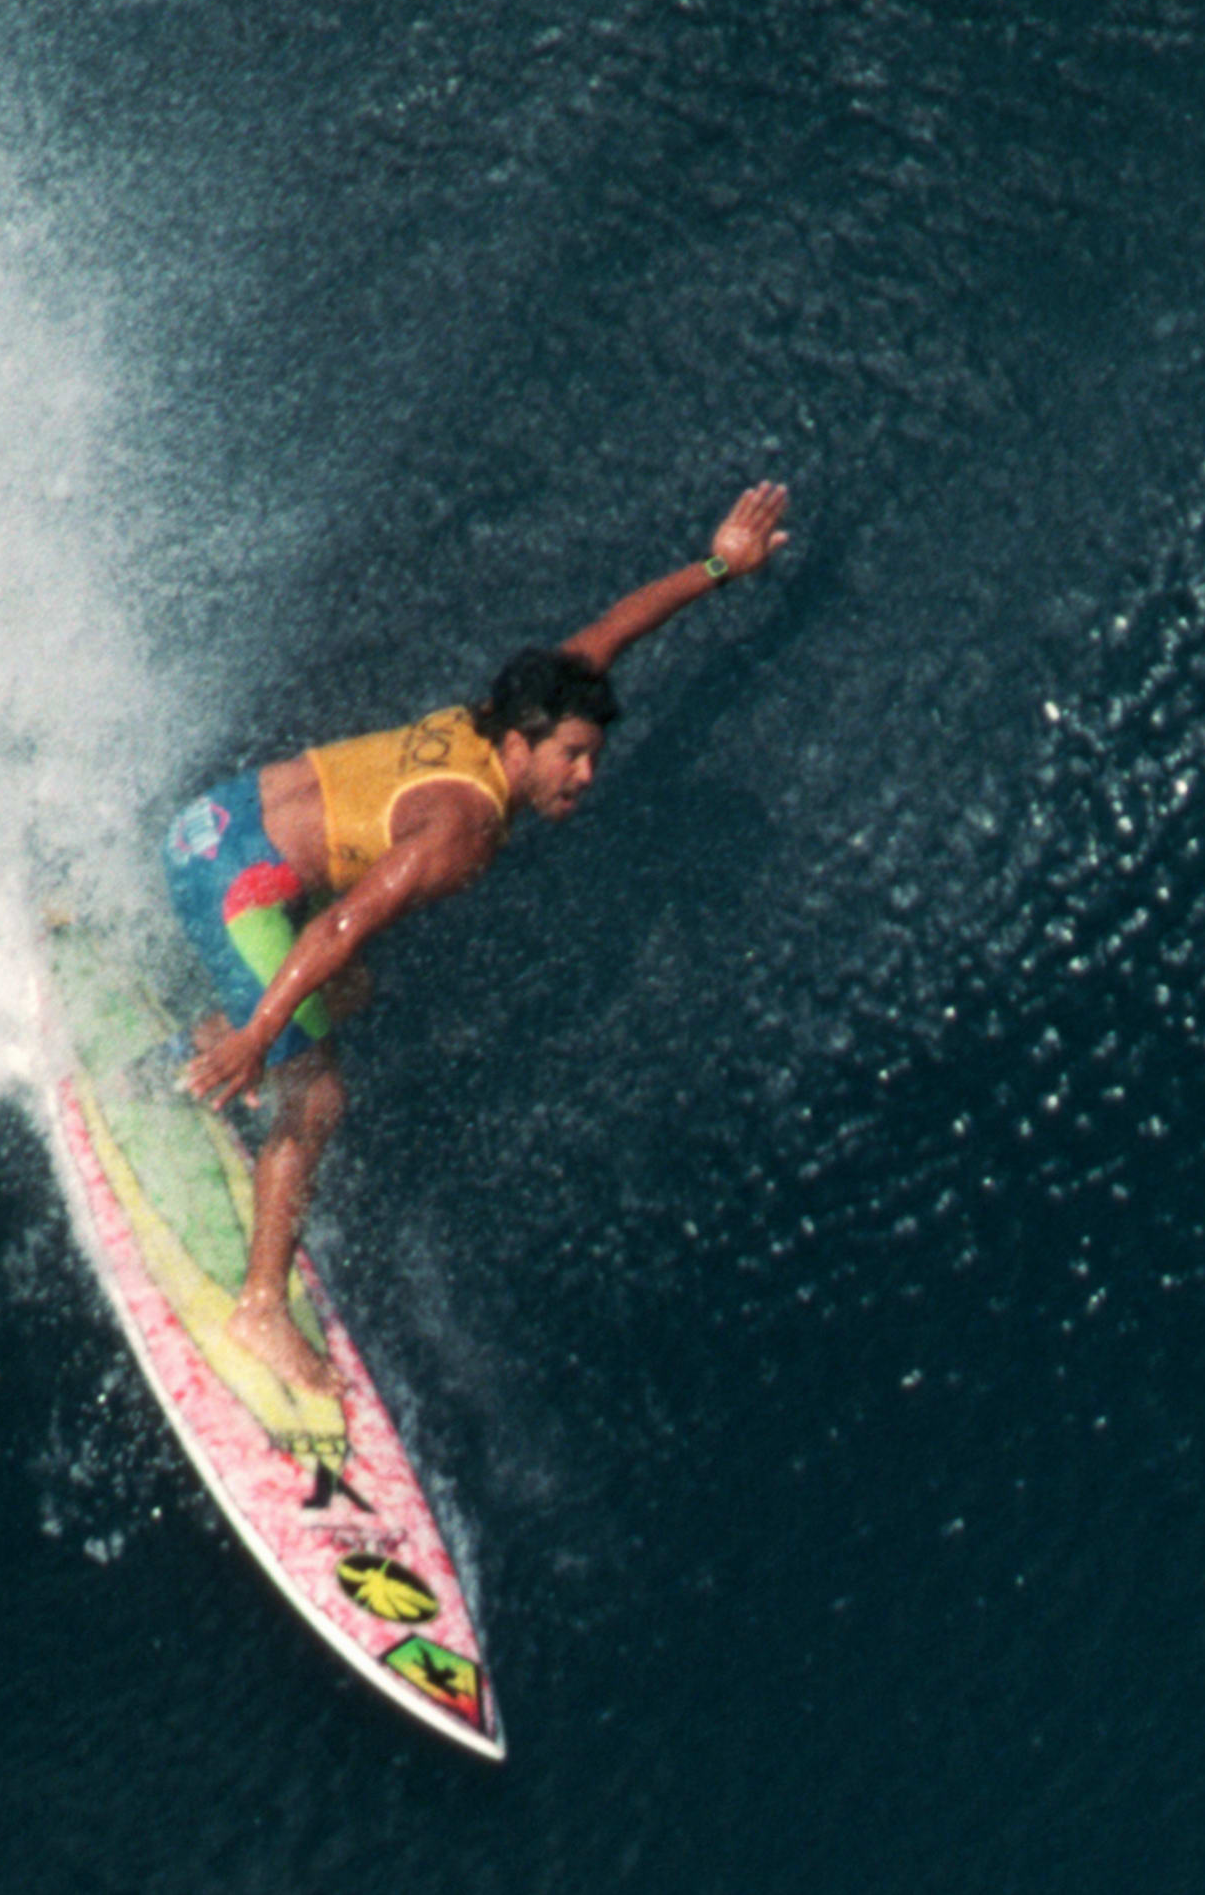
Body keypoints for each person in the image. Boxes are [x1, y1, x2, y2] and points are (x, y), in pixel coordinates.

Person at [162, 481, 791, 1404]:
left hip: (214, 818)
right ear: (526, 747)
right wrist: (264, 1034)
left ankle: (188, 1061)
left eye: (594, 754)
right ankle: (259, 1304)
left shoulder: (504, 708)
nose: (587, 773)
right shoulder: (463, 828)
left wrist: (718, 566)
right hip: (232, 883)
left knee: (349, 989)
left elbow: (613, 632)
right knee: (319, 1091)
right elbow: (339, 923)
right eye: (573, 756)